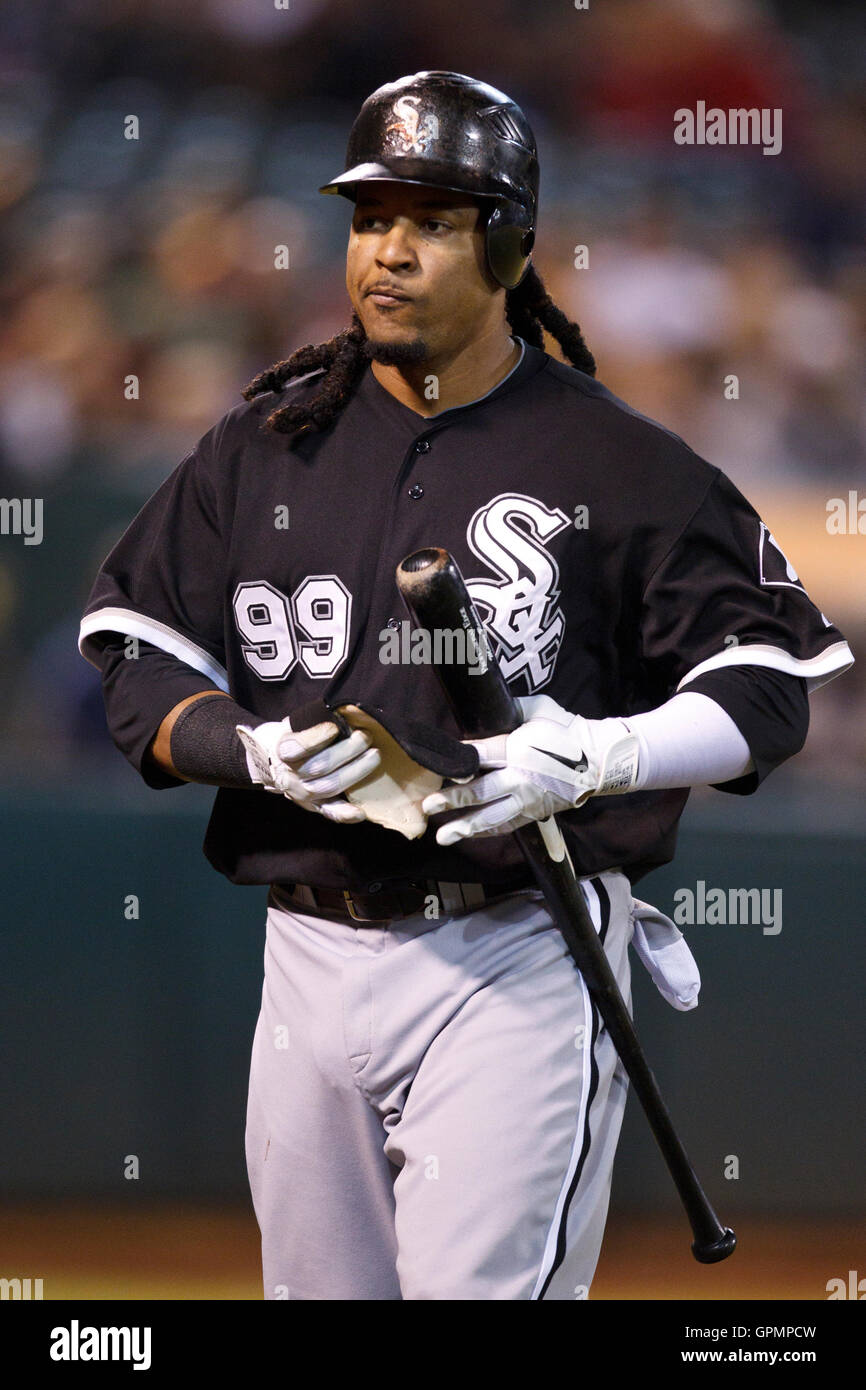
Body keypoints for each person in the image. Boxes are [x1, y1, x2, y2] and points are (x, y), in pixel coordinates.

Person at [79, 71, 853, 1300]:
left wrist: (600, 754)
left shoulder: (617, 460)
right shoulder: (264, 445)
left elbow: (767, 685)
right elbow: (133, 650)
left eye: (430, 222)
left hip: (517, 948)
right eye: (368, 218)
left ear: (506, 245)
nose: (386, 252)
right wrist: (246, 747)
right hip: (306, 954)